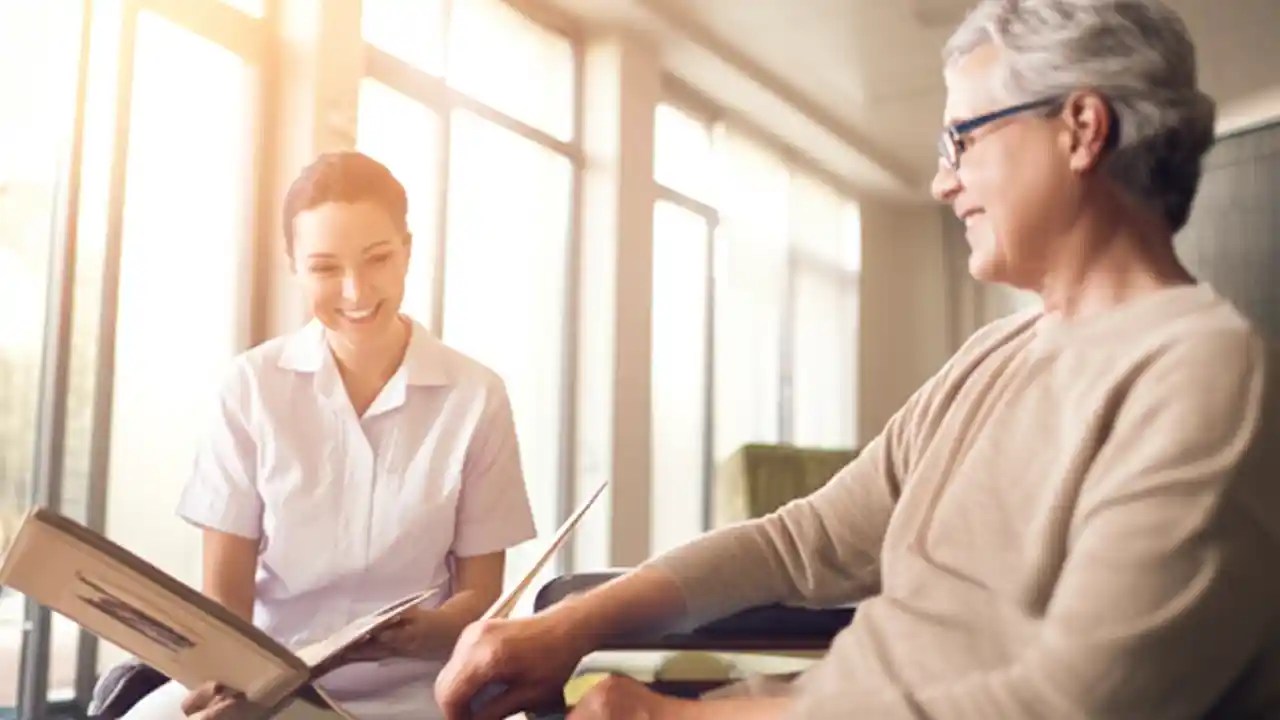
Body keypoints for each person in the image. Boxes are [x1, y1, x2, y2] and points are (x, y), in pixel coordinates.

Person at [431, 1, 1280, 718]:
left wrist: (680, 718)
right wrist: (574, 623)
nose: (944, 183)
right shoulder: (995, 355)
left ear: (1080, 130)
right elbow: (804, 544)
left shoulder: (1202, 372)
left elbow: (1067, 703)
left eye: (964, 141)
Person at [125, 151, 537, 720]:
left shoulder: (476, 395)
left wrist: (432, 631)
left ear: (407, 253)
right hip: (267, 682)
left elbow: (482, 592)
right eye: (324, 268)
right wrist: (231, 688)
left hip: (421, 691)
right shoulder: (252, 386)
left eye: (377, 259)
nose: (354, 290)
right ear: (293, 265)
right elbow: (226, 599)